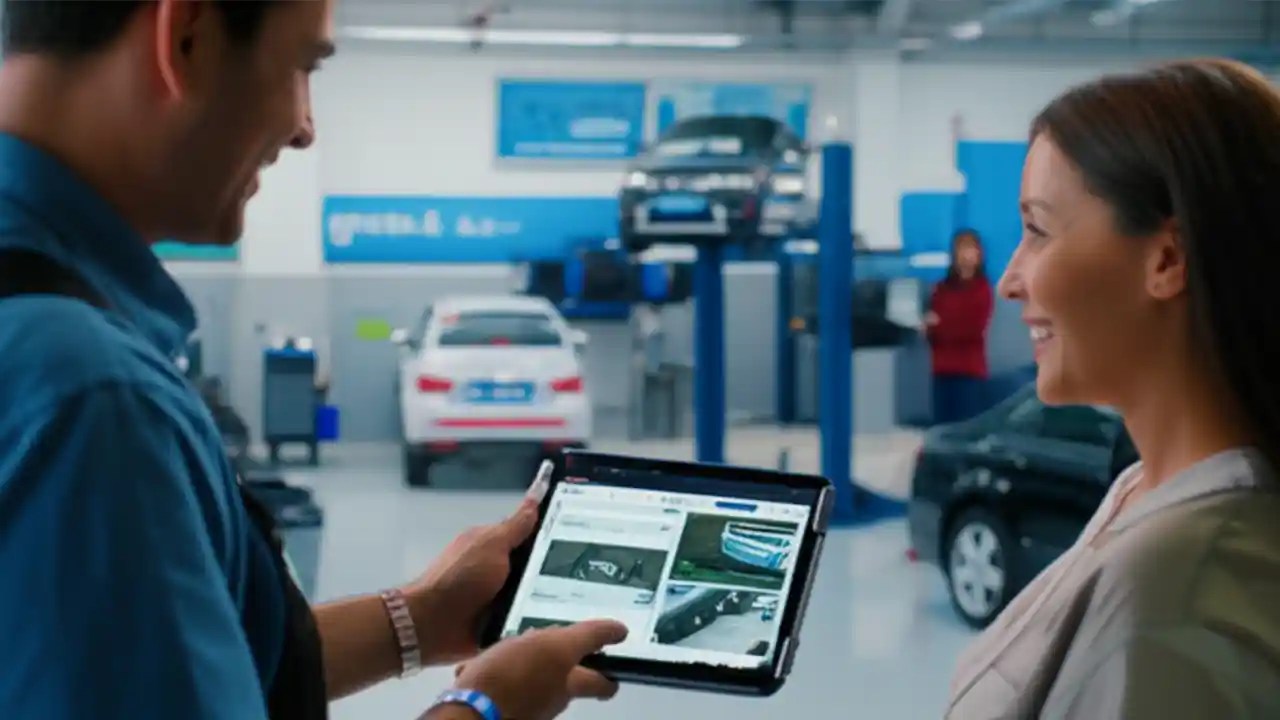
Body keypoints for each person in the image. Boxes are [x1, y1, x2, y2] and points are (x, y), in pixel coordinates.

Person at [0, 2, 624, 719]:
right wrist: (484, 708)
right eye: (302, 66)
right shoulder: (91, 394)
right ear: (187, 36)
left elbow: (169, 666)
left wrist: (419, 619)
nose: (304, 127)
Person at [946, 58, 1280, 718]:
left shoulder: (1180, 601)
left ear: (1167, 259)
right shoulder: (1148, 492)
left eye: (1038, 230)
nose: (1012, 280)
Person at [925, 228, 994, 424]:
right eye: (962, 249)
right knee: (942, 429)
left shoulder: (982, 290)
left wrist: (939, 327)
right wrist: (931, 328)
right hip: (941, 371)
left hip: (969, 373)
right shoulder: (941, 288)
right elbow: (934, 326)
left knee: (965, 428)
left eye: (971, 249)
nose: (966, 254)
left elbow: (971, 329)